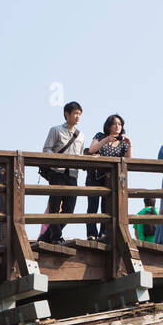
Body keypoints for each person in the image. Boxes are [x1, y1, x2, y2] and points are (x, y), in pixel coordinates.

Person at [38, 101, 84, 244]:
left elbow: (80, 156)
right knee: (54, 206)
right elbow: (46, 150)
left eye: (79, 114)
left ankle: (46, 237)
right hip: (57, 173)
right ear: (67, 114)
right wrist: (59, 159)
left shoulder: (81, 135)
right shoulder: (56, 130)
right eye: (75, 113)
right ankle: (56, 237)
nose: (78, 117)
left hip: (73, 175)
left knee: (69, 211)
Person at [83, 114, 132, 239]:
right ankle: (91, 234)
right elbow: (92, 150)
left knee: (107, 207)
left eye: (120, 124)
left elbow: (128, 161)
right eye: (115, 123)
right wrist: (106, 140)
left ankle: (104, 233)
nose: (117, 126)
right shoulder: (100, 136)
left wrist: (129, 144)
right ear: (109, 125)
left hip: (110, 178)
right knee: (92, 205)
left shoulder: (123, 143)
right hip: (94, 176)